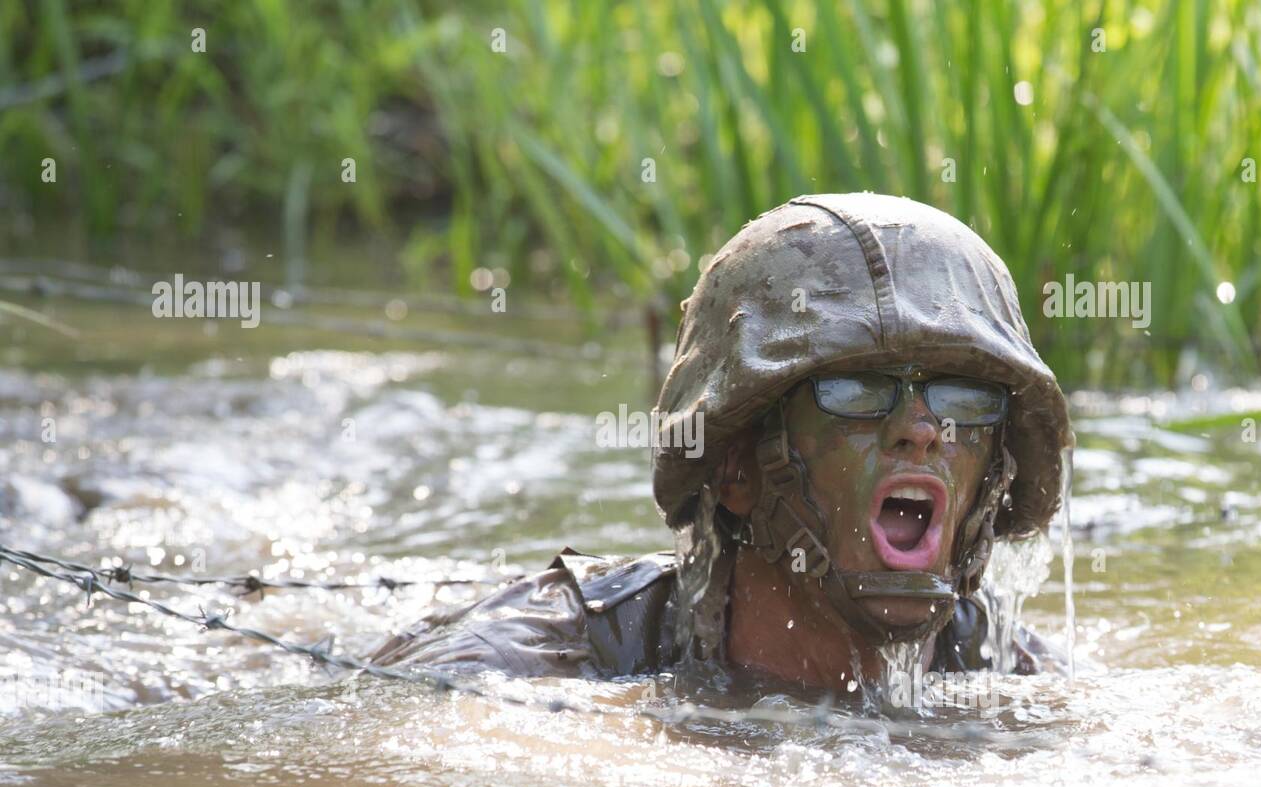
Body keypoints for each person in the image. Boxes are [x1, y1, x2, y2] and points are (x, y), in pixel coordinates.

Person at [368, 192, 1073, 695]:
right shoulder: (532, 661)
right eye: (856, 391)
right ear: (736, 466)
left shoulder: (998, 668)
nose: (924, 431)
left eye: (963, 397)